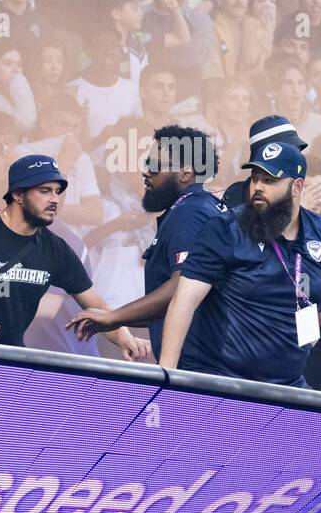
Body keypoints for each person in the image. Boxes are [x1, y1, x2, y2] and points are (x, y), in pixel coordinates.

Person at [157, 141, 321, 390]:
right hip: (219, 380)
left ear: (297, 186)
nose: (258, 187)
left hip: (288, 386)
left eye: (269, 180)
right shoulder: (225, 229)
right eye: (255, 178)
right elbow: (184, 301)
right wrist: (165, 376)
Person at [0, 154, 148, 359]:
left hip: (7, 361)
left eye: (58, 191)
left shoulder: (55, 249)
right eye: (45, 191)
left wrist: (125, 338)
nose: (55, 199)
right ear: (18, 194)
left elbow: (98, 306)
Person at [66, 126, 228, 359]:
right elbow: (172, 306)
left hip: (198, 366)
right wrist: (114, 321)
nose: (146, 172)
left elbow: (182, 288)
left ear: (185, 173)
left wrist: (113, 317)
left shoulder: (189, 213)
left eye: (155, 164)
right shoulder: (201, 207)